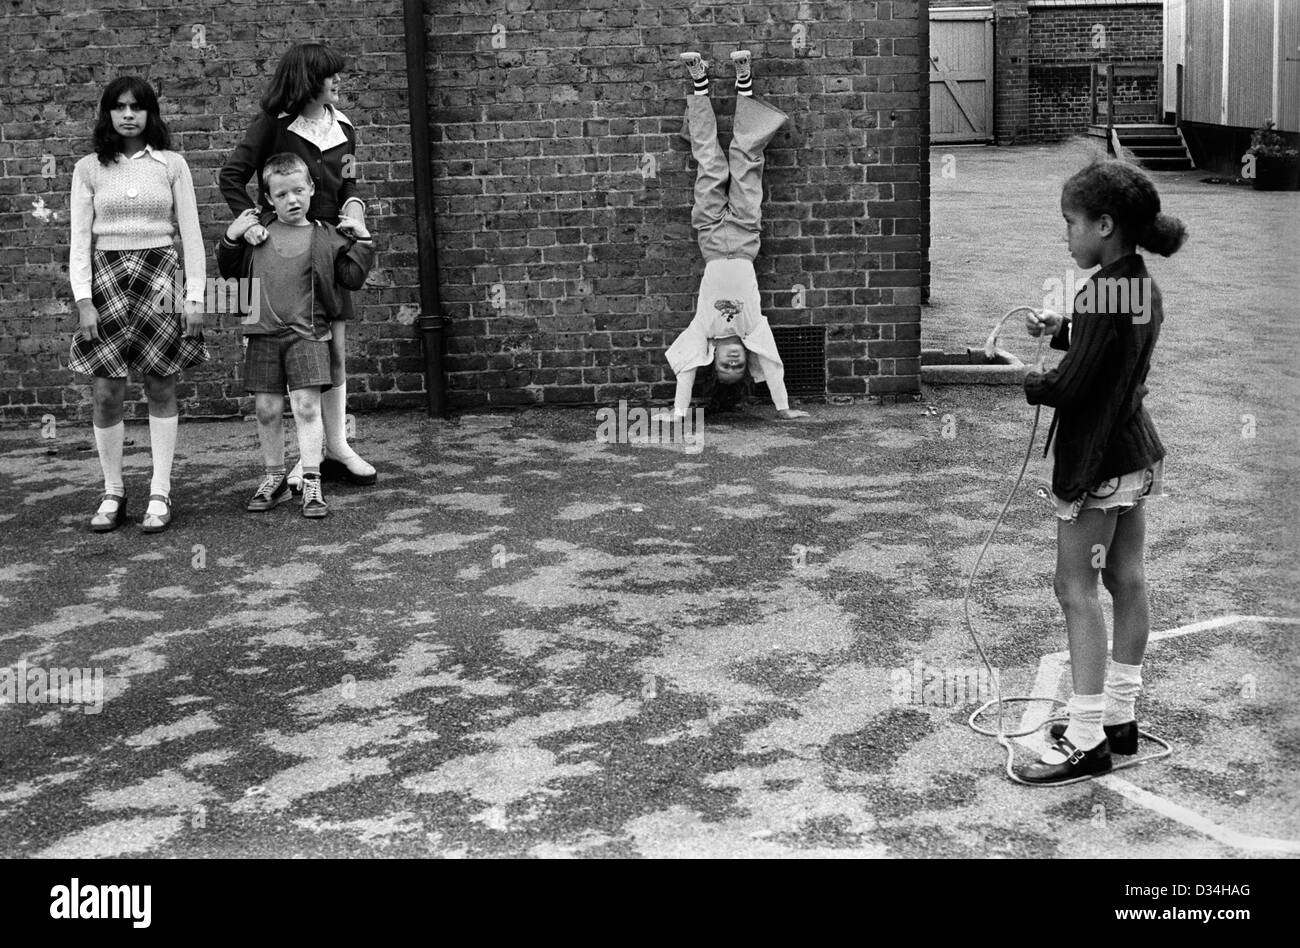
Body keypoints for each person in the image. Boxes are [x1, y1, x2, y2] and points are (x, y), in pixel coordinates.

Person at [1019, 159, 1187, 784]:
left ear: (1105, 225)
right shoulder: (1136, 284)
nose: (1066, 236)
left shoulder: (1101, 292)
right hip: (1134, 456)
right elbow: (1109, 349)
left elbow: (1076, 383)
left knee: (1075, 590)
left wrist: (1032, 380)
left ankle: (1086, 737)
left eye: (1071, 224)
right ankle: (1120, 717)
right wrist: (1065, 329)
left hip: (1097, 464)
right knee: (1126, 578)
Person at [219, 42, 375, 491]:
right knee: (297, 350)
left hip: (330, 246)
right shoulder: (275, 125)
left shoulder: (343, 126)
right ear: (310, 82)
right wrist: (250, 222)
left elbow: (350, 179)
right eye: (331, 76)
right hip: (284, 249)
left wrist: (357, 207)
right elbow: (233, 175)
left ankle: (336, 446)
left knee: (335, 353)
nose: (339, 81)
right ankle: (303, 458)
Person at [68, 76, 207, 534]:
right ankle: (113, 492)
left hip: (160, 275)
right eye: (120, 107)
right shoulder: (89, 168)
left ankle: (160, 490)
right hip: (107, 279)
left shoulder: (172, 164)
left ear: (151, 114)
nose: (129, 114)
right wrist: (84, 301)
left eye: (138, 107)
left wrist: (195, 296)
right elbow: (79, 241)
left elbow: (191, 233)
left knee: (160, 385)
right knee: (107, 390)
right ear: (108, 114)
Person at [217, 153, 374, 519]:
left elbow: (351, 278)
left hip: (309, 336)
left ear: (312, 189)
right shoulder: (258, 233)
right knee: (267, 410)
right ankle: (273, 478)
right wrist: (232, 235)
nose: (292, 200)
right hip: (263, 335)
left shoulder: (327, 237)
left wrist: (363, 241)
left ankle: (311, 478)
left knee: (306, 407)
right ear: (269, 198)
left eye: (299, 191)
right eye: (282, 193)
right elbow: (228, 272)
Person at [663, 50, 809, 421]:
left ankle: (700, 86)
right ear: (747, 360)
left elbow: (685, 370)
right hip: (744, 234)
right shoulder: (752, 328)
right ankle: (744, 86)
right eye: (739, 367)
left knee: (709, 162)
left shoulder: (703, 331)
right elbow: (773, 366)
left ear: (712, 362)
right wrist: (784, 408)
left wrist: (680, 415)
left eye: (725, 368)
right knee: (746, 161)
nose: (732, 361)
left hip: (711, 234)